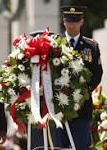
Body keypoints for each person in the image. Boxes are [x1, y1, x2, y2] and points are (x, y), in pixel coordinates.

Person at [57, 5, 103, 150]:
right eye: (69, 20)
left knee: (81, 146)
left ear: (82, 22)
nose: (72, 24)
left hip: (82, 109)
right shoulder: (54, 44)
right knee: (58, 147)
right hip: (58, 108)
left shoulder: (91, 46)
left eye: (76, 20)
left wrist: (83, 91)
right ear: (64, 22)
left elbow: (97, 73)